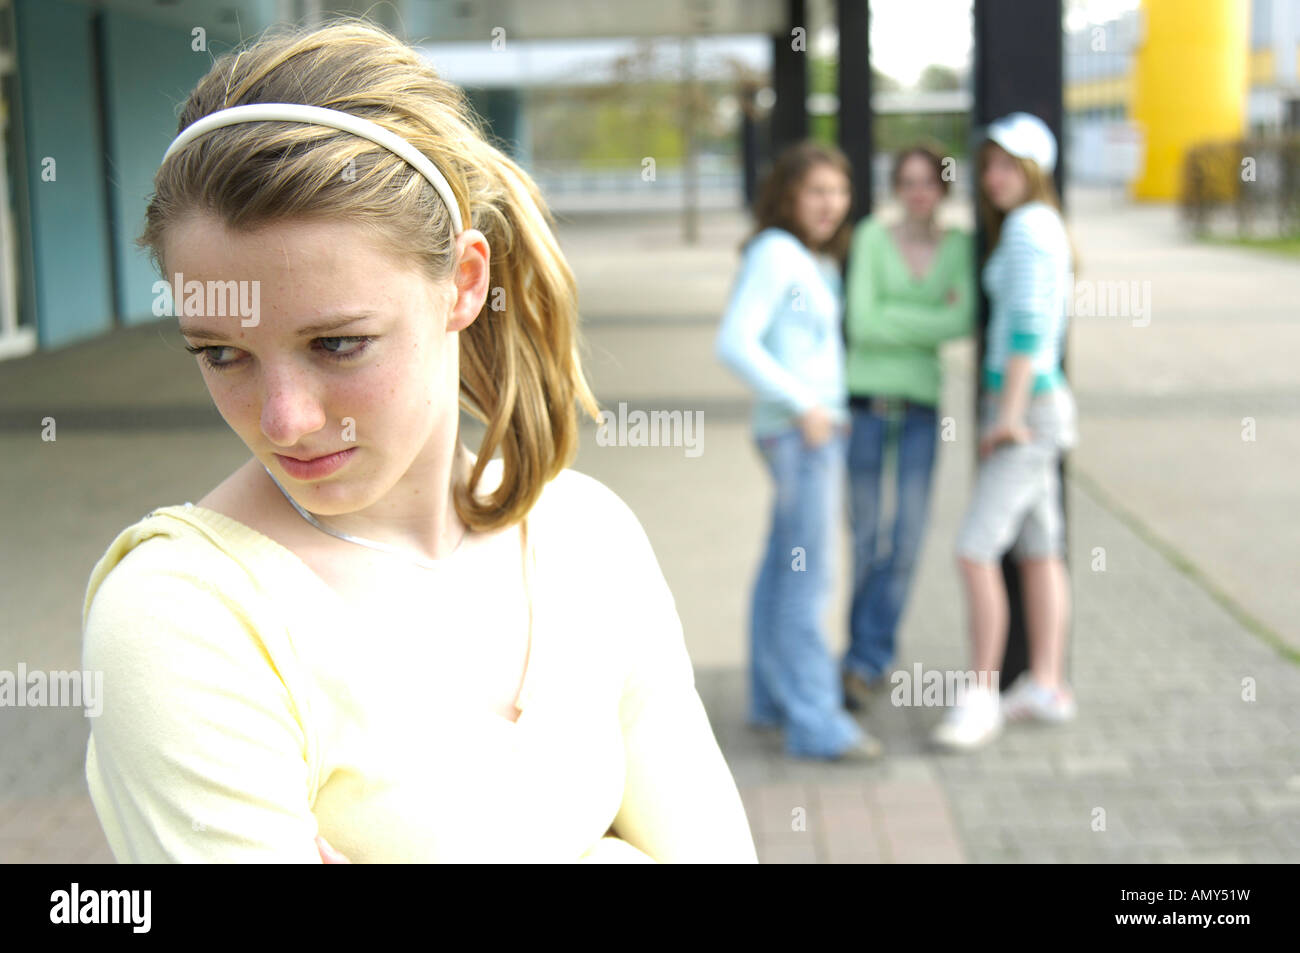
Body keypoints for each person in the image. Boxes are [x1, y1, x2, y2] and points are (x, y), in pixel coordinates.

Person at [81, 18, 758, 863]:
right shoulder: (185, 616)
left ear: (464, 283)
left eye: (337, 343)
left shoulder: (590, 536)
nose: (283, 419)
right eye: (221, 353)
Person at [715, 140, 882, 762]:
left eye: (838, 192)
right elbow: (734, 342)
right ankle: (817, 723)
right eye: (816, 191)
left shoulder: (807, 257)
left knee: (783, 569)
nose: (830, 204)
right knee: (810, 580)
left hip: (799, 431)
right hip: (799, 434)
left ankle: (771, 700)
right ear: (788, 194)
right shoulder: (778, 253)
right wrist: (806, 405)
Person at [932, 112, 1079, 751]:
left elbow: (1027, 330)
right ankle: (1046, 684)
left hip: (1026, 410)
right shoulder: (1043, 226)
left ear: (1034, 170)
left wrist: (1009, 416)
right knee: (1040, 550)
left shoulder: (1025, 229)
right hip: (1042, 408)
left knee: (974, 550)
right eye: (988, 164)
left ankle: (981, 696)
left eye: (1006, 165)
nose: (993, 177)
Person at [841, 144, 974, 711]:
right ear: (896, 186)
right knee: (869, 539)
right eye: (909, 181)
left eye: (929, 182)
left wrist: (893, 317)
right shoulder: (872, 236)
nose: (919, 192)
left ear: (943, 188)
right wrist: (925, 324)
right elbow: (860, 323)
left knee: (910, 539)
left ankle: (865, 657)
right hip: (866, 405)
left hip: (921, 411)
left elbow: (964, 319)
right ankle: (861, 660)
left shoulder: (960, 247)